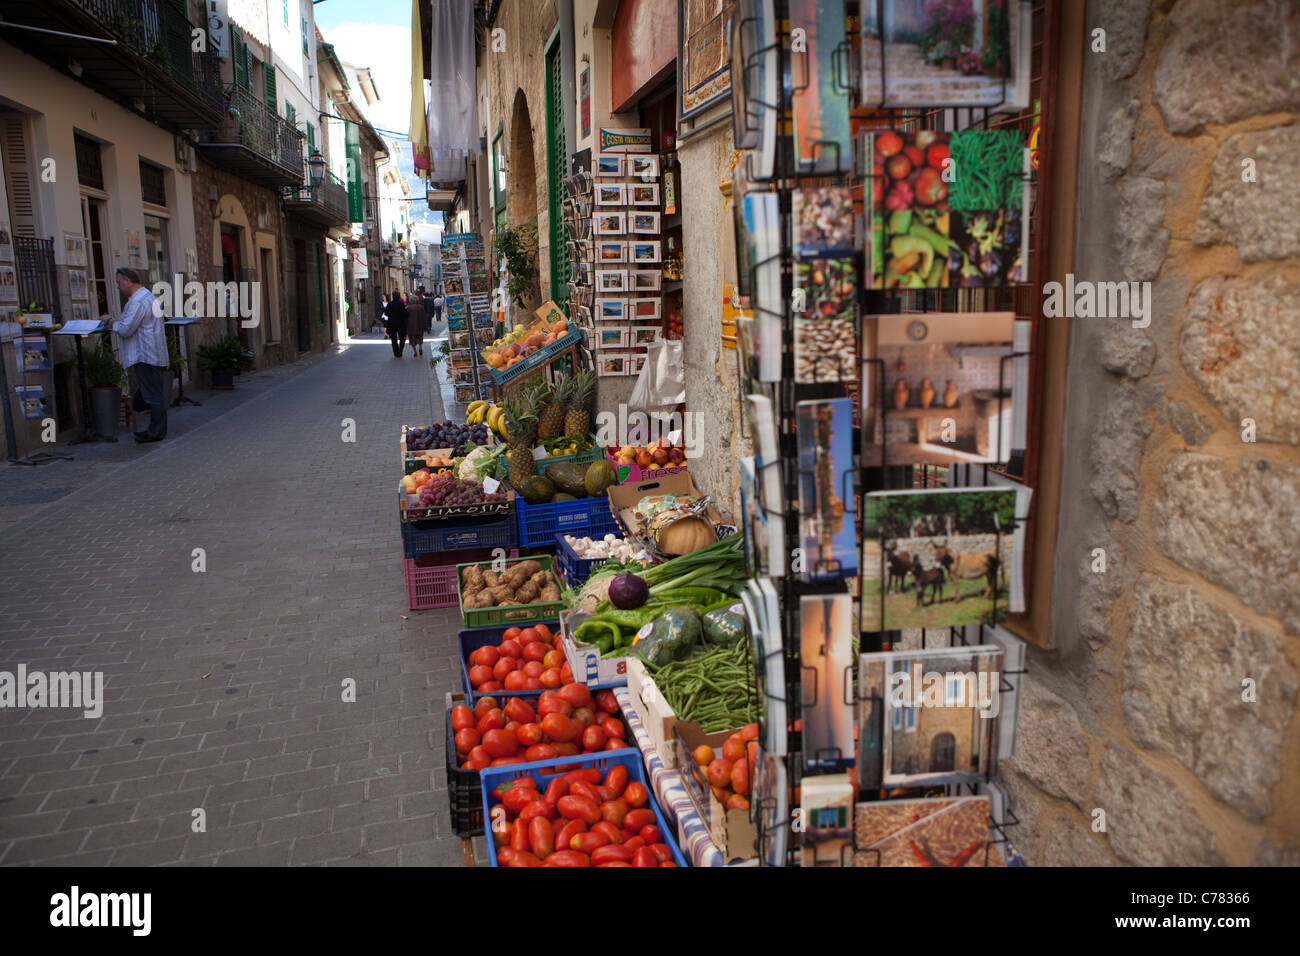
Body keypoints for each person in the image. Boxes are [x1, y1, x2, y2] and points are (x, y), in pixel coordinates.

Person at [101, 267, 167, 443]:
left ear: (127, 281)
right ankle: (154, 429)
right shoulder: (148, 297)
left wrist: (109, 321)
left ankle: (157, 431)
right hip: (153, 353)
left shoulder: (138, 302)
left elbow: (125, 329)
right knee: (152, 393)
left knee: (153, 396)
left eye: (118, 282)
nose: (118, 286)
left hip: (145, 354)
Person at [383, 289, 409, 357]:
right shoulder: (401, 304)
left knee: (393, 339)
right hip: (401, 323)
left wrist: (391, 316)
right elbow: (404, 313)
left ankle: (396, 352)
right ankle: (400, 351)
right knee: (402, 338)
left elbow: (386, 312)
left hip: (392, 323)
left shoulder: (390, 304)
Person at [407, 286, 428, 357]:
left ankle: (415, 351)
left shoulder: (408, 308)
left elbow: (406, 319)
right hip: (420, 326)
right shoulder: (421, 308)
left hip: (411, 327)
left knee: (412, 340)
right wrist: (425, 327)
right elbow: (424, 318)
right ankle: (420, 347)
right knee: (420, 338)